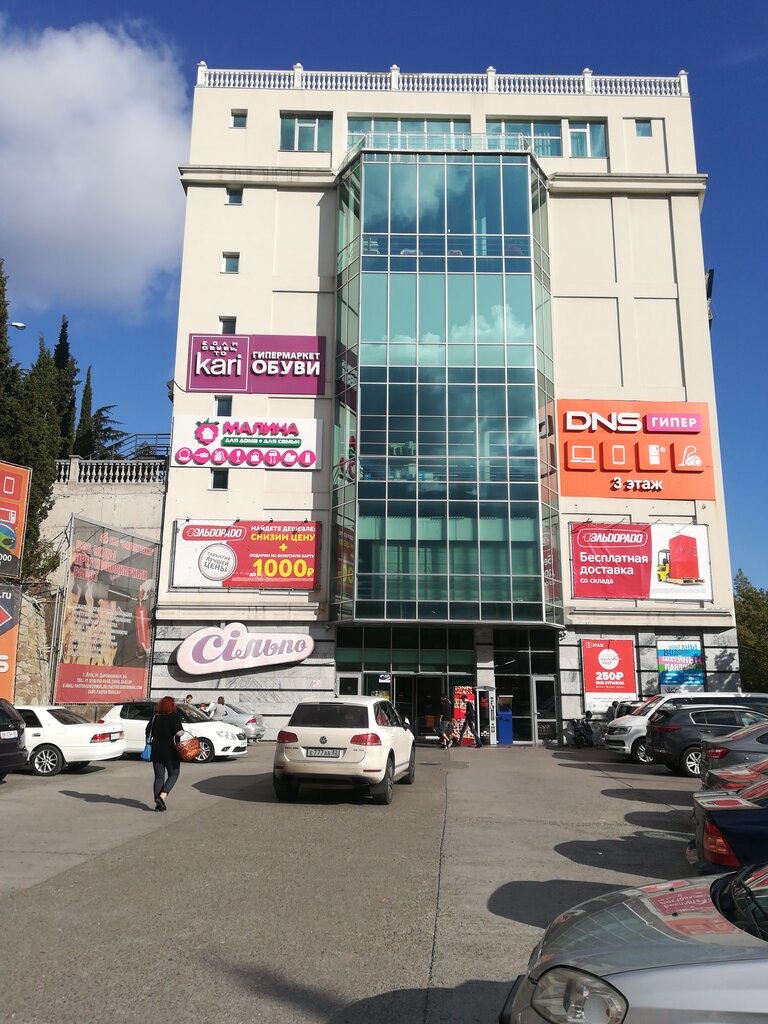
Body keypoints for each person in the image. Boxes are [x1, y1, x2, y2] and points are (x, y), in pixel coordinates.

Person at [145, 696, 183, 812]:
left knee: (159, 777)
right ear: (172, 705)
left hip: (156, 750)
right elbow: (179, 733)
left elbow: (147, 732)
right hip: (171, 751)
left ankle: (158, 805)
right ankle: (161, 797)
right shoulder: (174, 716)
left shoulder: (155, 717)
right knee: (174, 774)